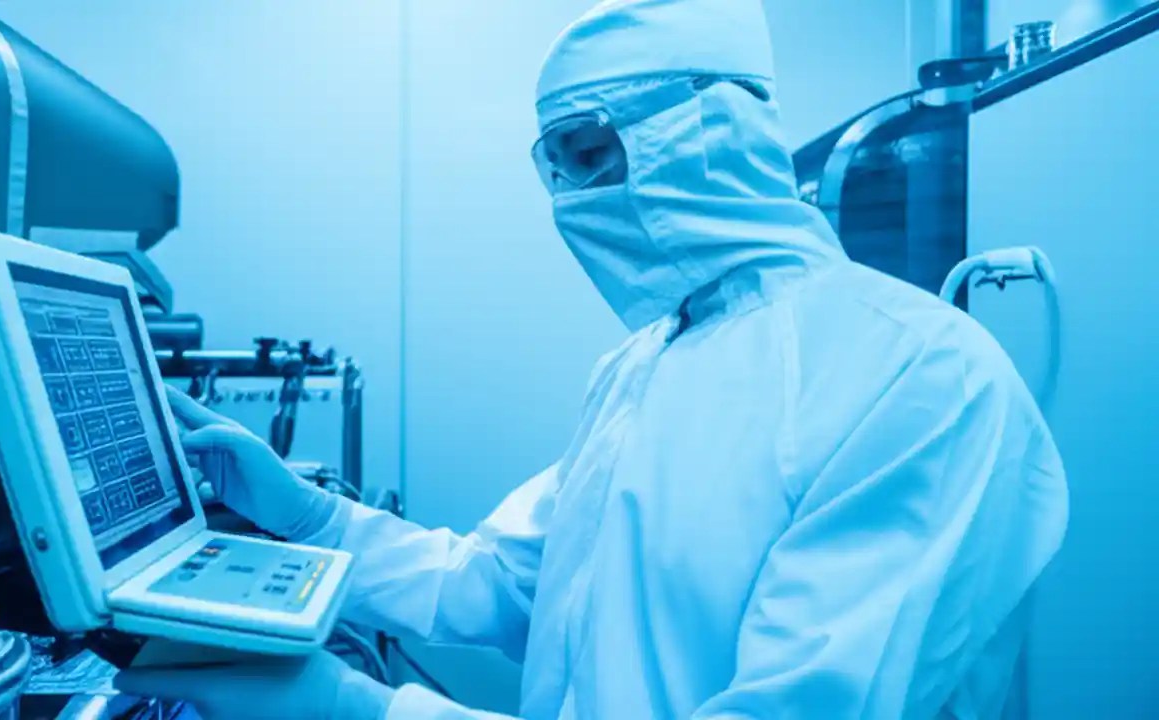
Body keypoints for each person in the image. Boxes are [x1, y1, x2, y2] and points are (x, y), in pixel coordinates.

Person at [115, 0, 1069, 717]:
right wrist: (306, 514)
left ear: (710, 130)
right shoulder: (644, 366)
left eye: (592, 152)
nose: (571, 198)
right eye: (555, 165)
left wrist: (360, 707)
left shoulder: (923, 377)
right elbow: (501, 582)